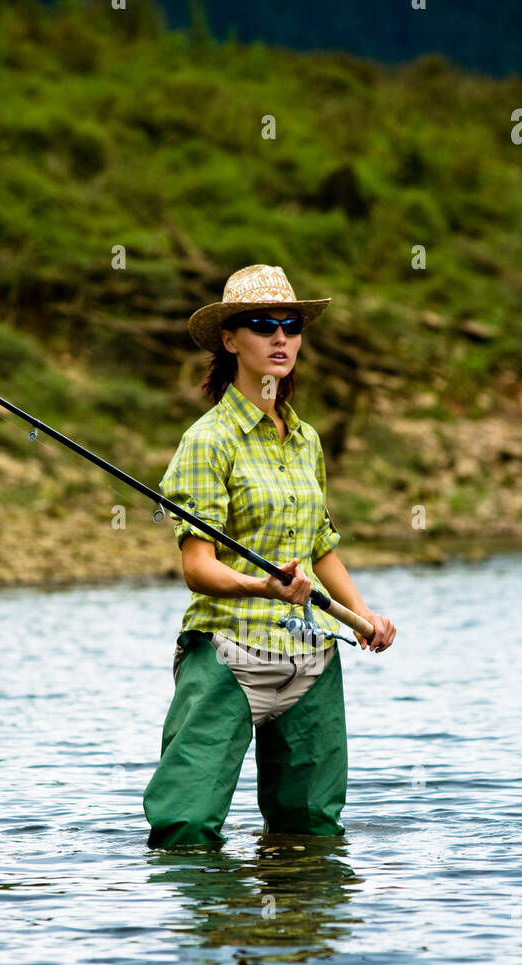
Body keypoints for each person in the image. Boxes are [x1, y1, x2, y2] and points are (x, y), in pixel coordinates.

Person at [143, 264, 396, 849]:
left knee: (310, 835)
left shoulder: (306, 440)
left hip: (310, 659)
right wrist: (264, 588)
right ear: (231, 341)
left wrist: (362, 615)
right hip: (227, 657)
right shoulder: (207, 440)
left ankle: (297, 932)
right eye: (263, 325)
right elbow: (197, 568)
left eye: (290, 325)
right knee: (184, 830)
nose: (281, 338)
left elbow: (320, 548)